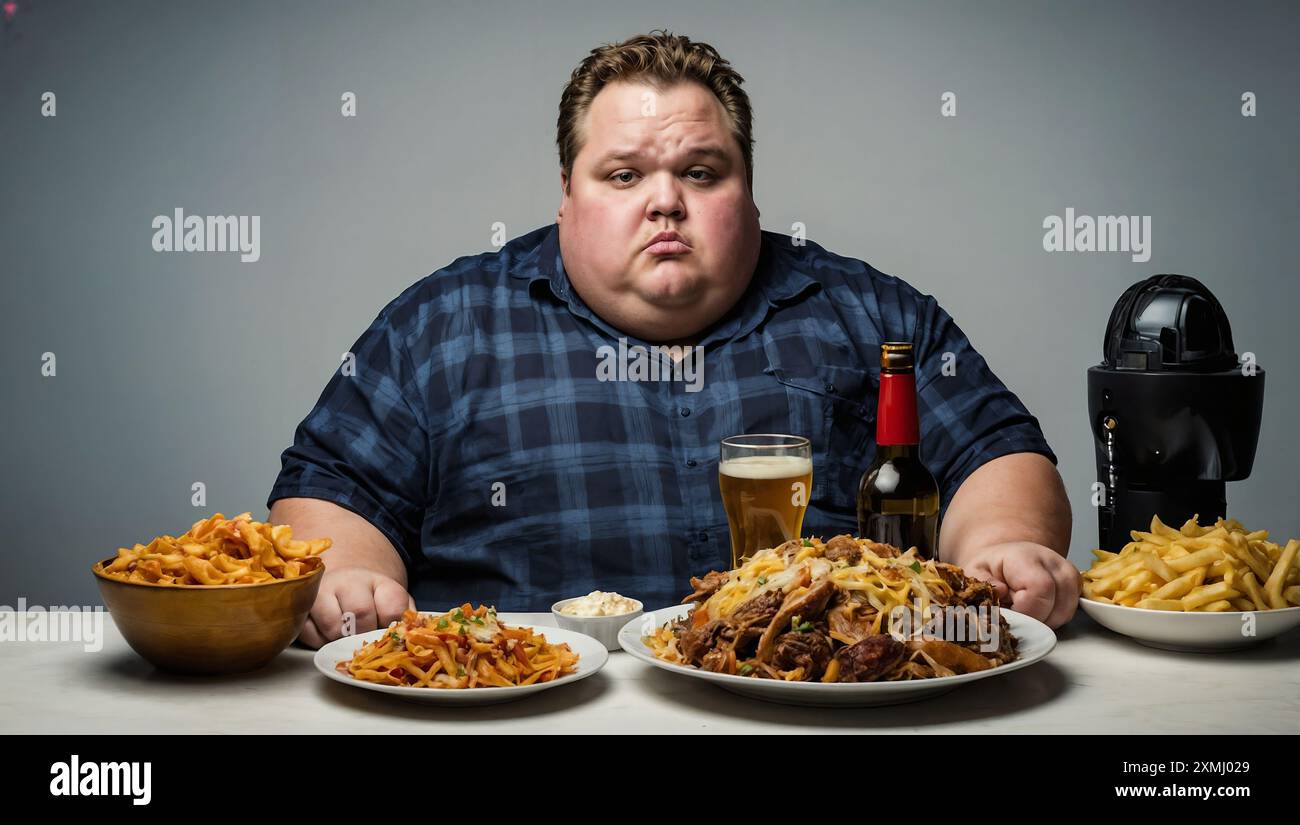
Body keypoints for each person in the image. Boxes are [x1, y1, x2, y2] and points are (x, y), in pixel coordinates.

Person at [269, 30, 1079, 649]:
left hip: (815, 708)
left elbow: (996, 450)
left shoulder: (869, 314)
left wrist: (1005, 545)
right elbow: (332, 488)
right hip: (517, 707)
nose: (665, 202)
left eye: (700, 171)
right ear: (566, 194)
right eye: (624, 175)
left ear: (749, 191)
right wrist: (350, 575)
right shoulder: (442, 323)